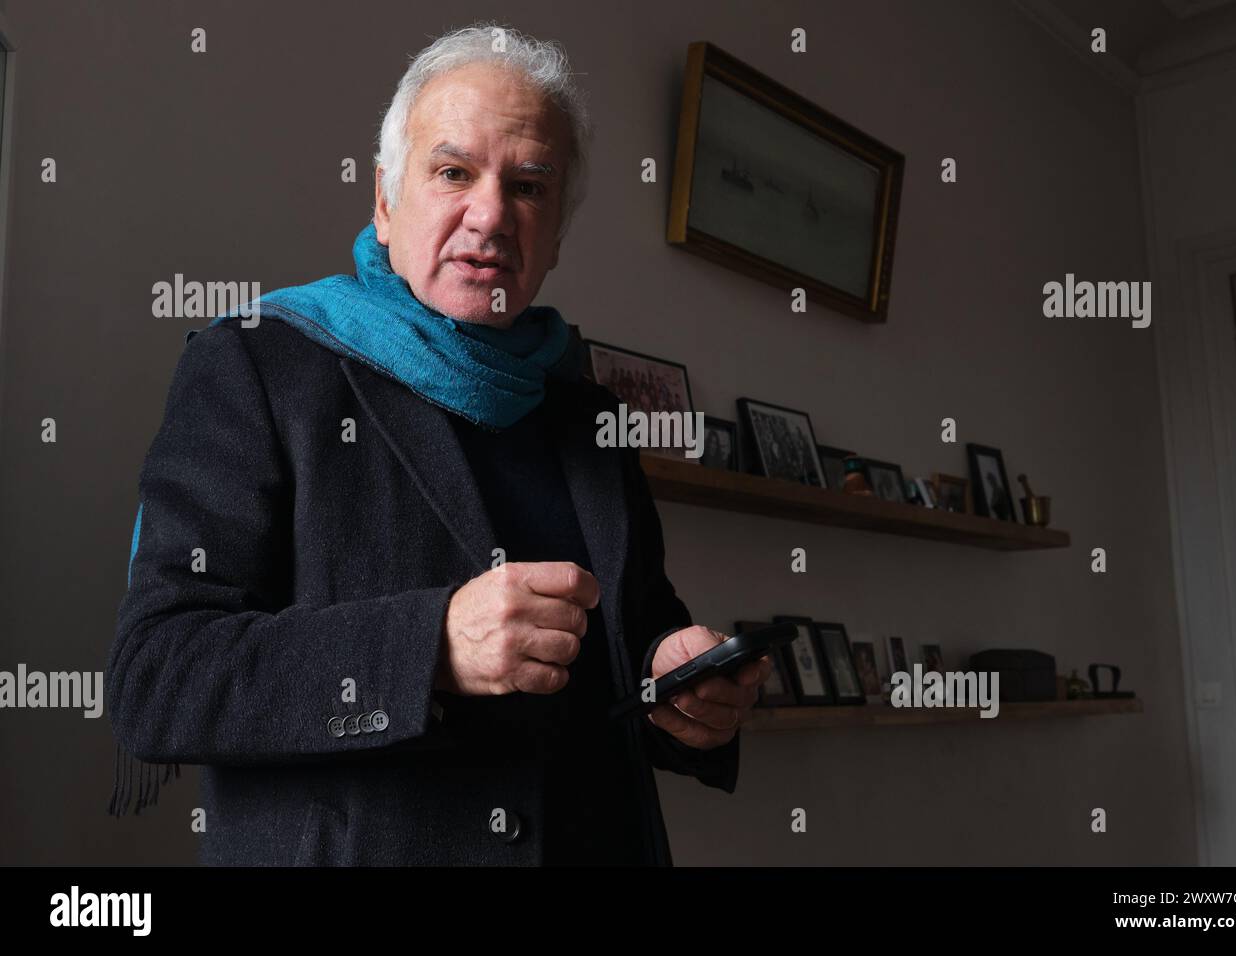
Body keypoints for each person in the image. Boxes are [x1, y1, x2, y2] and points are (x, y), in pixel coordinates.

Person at [106, 22, 771, 867]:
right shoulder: (257, 364)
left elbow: (630, 641)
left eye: (529, 186)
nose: (490, 215)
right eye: (454, 172)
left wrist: (672, 680)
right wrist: (431, 648)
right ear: (386, 201)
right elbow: (157, 680)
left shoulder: (589, 413)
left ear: (557, 234)